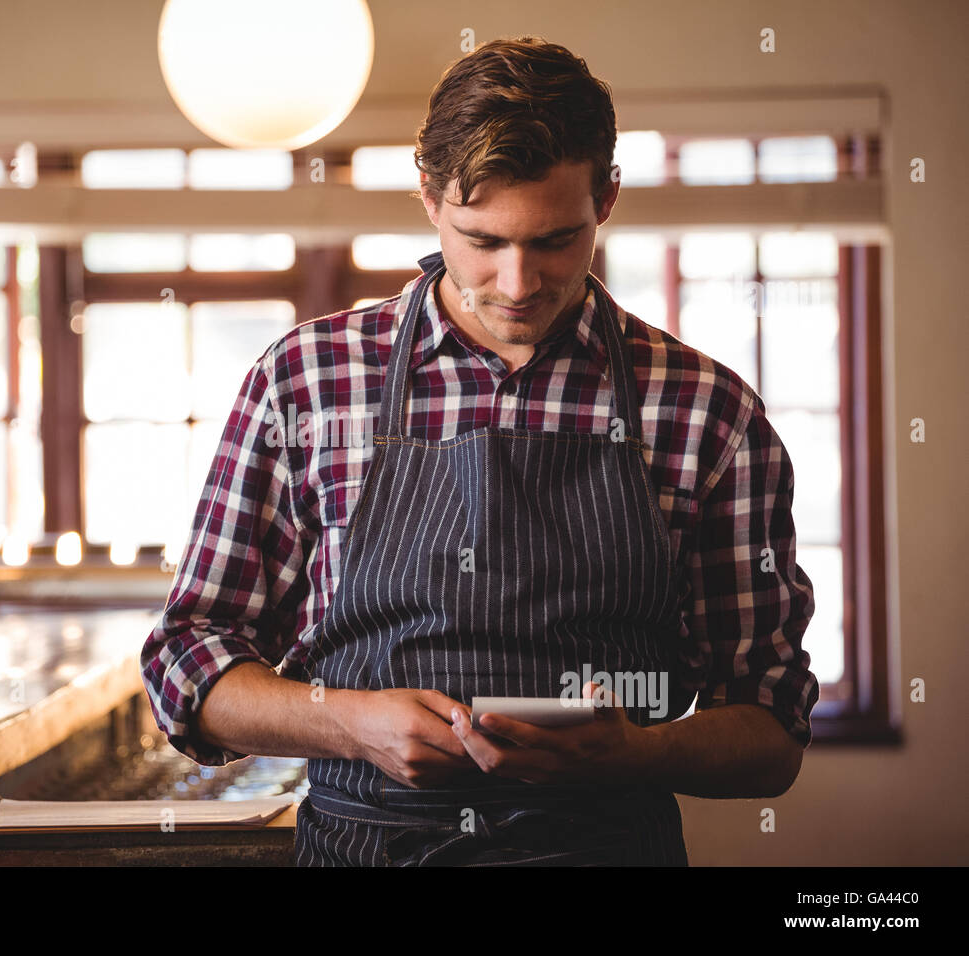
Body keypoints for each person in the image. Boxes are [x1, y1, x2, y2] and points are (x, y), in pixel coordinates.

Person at [141, 35, 819, 866]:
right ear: (428, 196)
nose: (518, 283)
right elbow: (189, 662)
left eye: (556, 240)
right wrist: (348, 723)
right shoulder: (306, 382)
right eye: (483, 241)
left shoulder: (706, 411)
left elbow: (770, 732)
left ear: (606, 199)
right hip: (365, 845)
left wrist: (637, 753)